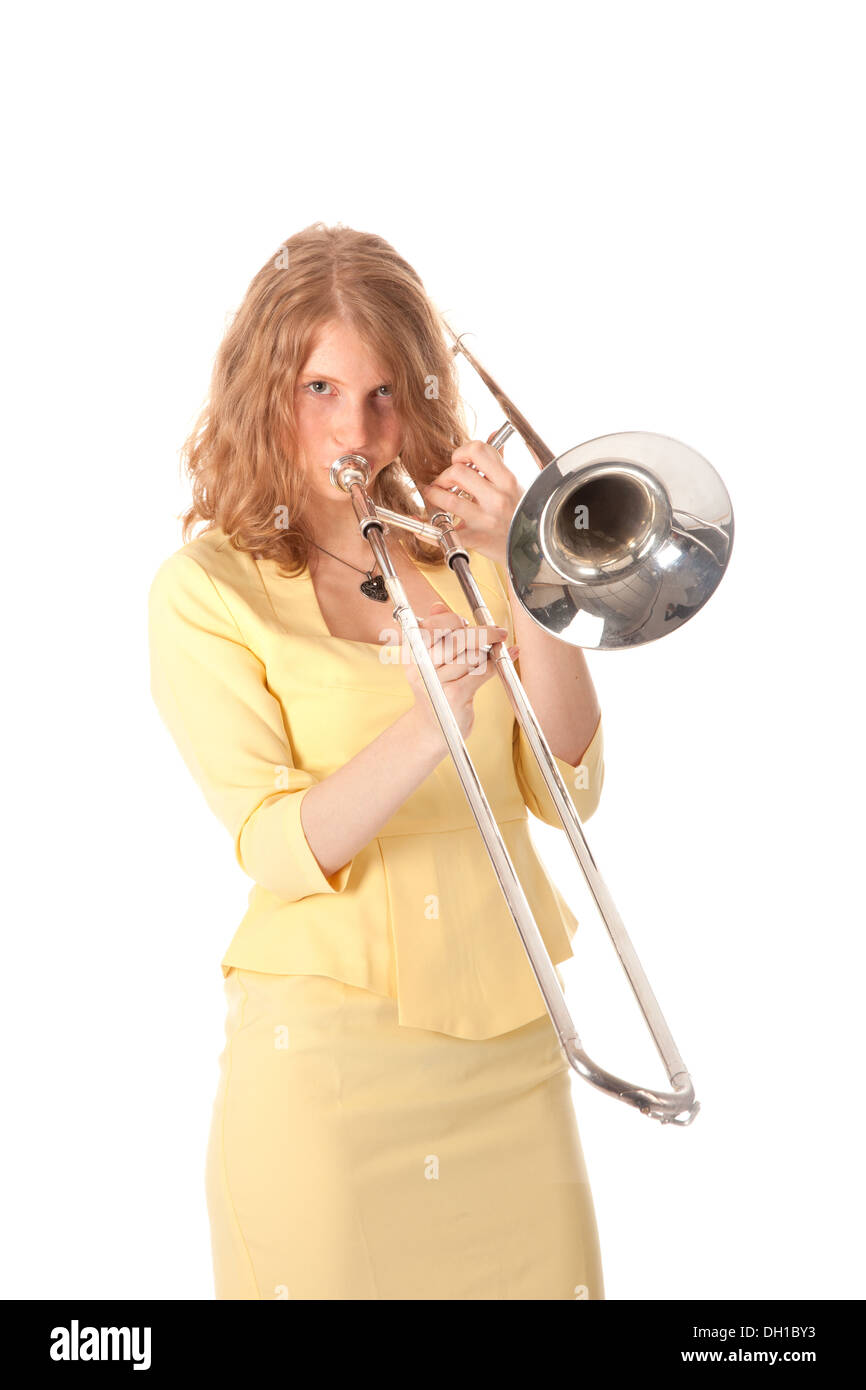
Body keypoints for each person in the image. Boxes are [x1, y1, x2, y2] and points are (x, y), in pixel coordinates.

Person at [147, 222, 607, 1300]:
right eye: (317, 388)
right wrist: (428, 719)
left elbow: (565, 779)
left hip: (508, 1048)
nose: (353, 425)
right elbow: (274, 845)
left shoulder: (475, 553)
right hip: (324, 1065)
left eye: (385, 392)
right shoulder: (207, 590)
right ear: (266, 391)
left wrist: (522, 568)